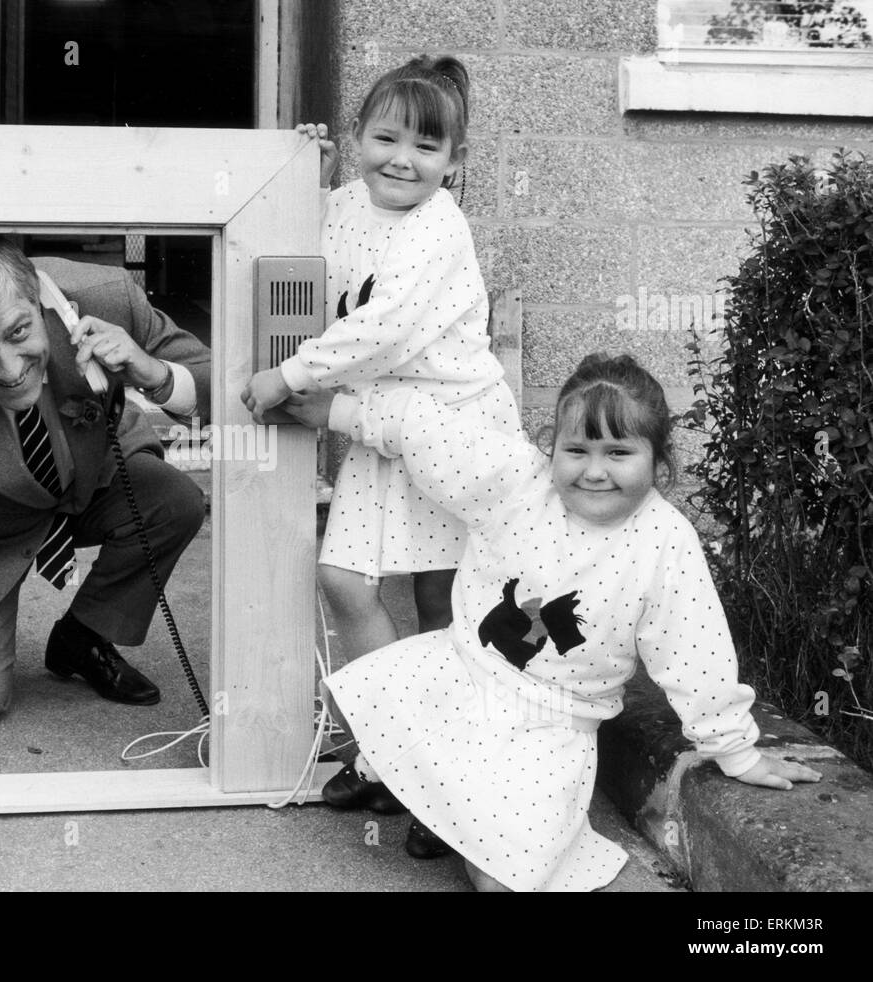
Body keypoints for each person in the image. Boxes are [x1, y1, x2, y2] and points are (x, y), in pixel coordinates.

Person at [281, 353, 821, 891]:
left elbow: (695, 651)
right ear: (551, 447)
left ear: (660, 462)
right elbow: (427, 431)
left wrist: (735, 750)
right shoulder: (516, 479)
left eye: (618, 453)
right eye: (576, 450)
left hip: (552, 725)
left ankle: (458, 818)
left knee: (500, 881)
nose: (593, 471)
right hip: (464, 675)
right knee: (350, 699)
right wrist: (342, 411)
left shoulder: (665, 541)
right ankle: (437, 804)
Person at [241, 55, 523, 851]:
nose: (402, 159)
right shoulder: (344, 202)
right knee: (346, 579)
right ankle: (397, 754)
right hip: (376, 427)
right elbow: (286, 221)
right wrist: (301, 163)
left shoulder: (439, 227)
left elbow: (385, 325)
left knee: (447, 607)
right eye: (384, 137)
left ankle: (443, 783)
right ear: (360, 137)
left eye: (426, 148)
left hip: (451, 427)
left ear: (454, 165)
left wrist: (287, 375)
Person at [0, 234, 210, 770]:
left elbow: (230, 383)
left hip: (93, 469)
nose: (8, 369)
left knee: (174, 501)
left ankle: (84, 638)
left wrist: (154, 372)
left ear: (41, 301)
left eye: (19, 333)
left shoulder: (107, 293)